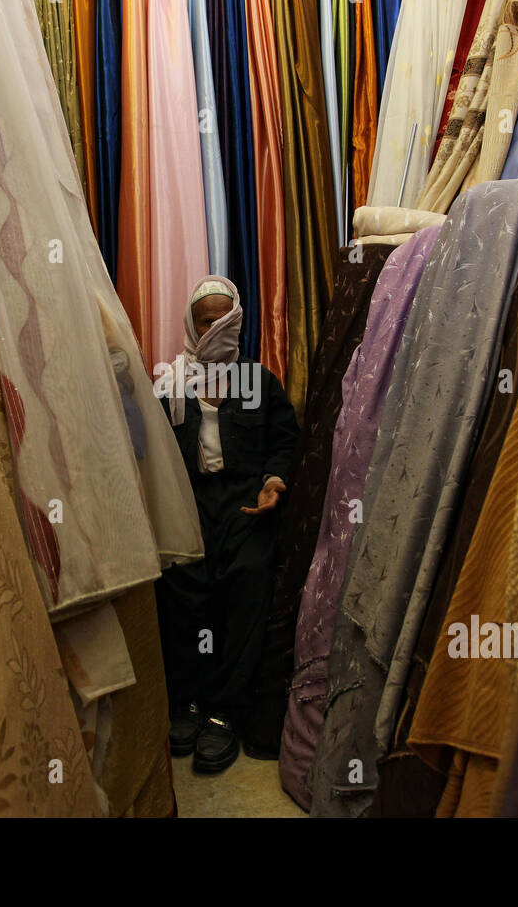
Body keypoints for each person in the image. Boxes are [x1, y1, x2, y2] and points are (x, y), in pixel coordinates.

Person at [154, 276, 298, 773]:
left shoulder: (258, 380)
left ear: (239, 321)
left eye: (226, 319)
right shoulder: (169, 382)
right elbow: (149, 451)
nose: (216, 328)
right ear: (191, 326)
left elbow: (284, 440)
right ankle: (189, 701)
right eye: (205, 321)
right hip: (187, 504)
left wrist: (274, 480)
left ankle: (224, 711)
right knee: (185, 598)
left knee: (244, 593)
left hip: (245, 504)